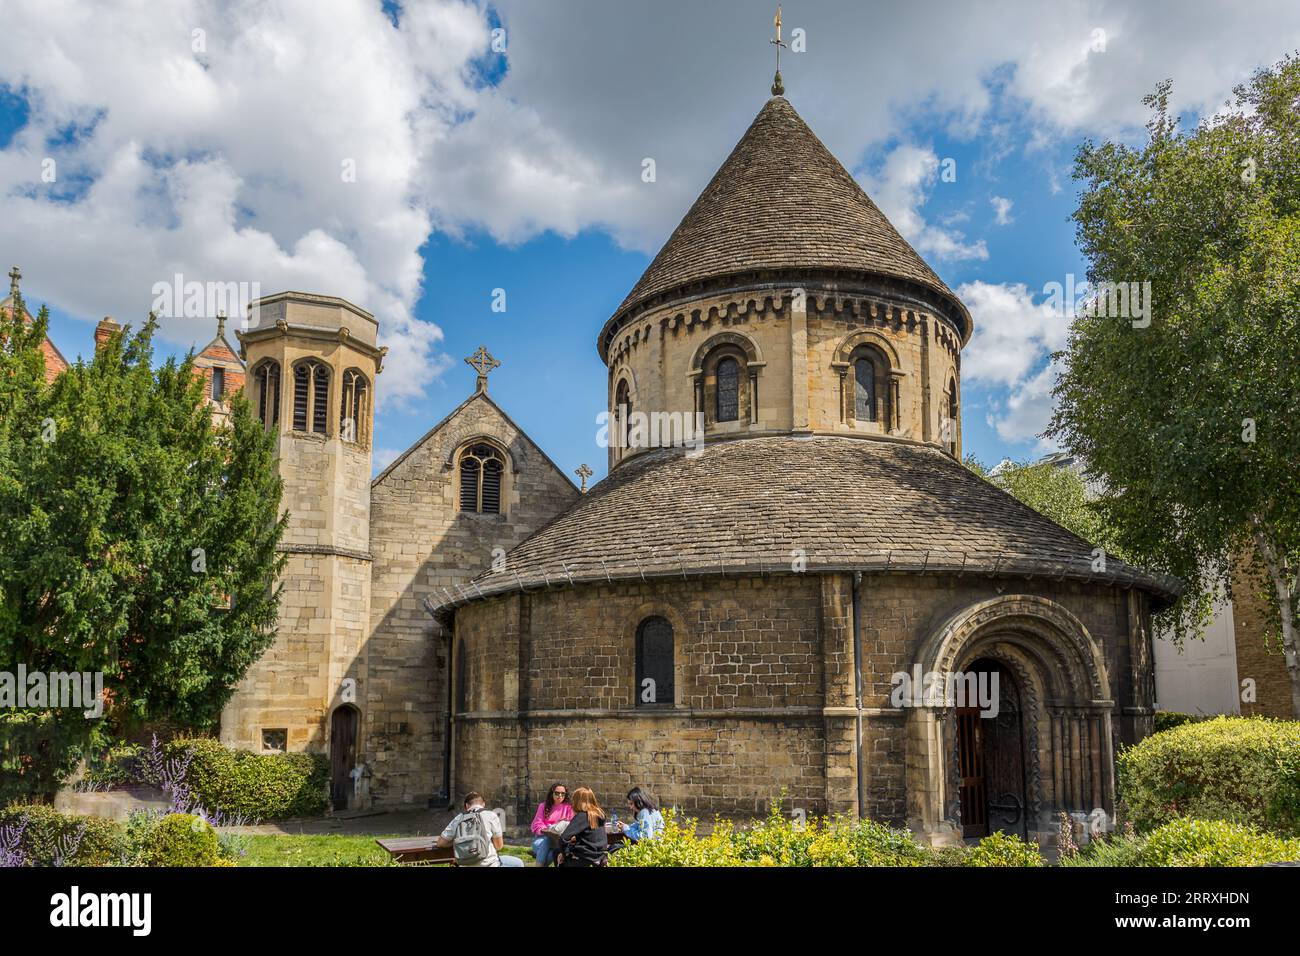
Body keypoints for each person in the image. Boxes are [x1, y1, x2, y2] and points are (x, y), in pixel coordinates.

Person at [436, 792, 524, 867]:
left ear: (466, 806)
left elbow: (440, 843)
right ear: (483, 804)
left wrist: (459, 841)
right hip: (489, 864)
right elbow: (499, 846)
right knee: (518, 863)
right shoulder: (491, 815)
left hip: (465, 864)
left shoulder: (458, 818)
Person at [555, 787, 608, 867]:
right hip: (600, 856)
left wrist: (564, 854)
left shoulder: (582, 816)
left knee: (556, 852)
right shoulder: (599, 814)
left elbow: (563, 839)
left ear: (577, 801)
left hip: (584, 858)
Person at [529, 783, 575, 866]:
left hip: (559, 841)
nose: (560, 795)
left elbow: (571, 825)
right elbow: (537, 824)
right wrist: (548, 830)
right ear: (552, 793)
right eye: (557, 793)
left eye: (563, 793)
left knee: (552, 852)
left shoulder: (569, 808)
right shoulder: (543, 806)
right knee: (547, 841)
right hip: (541, 839)